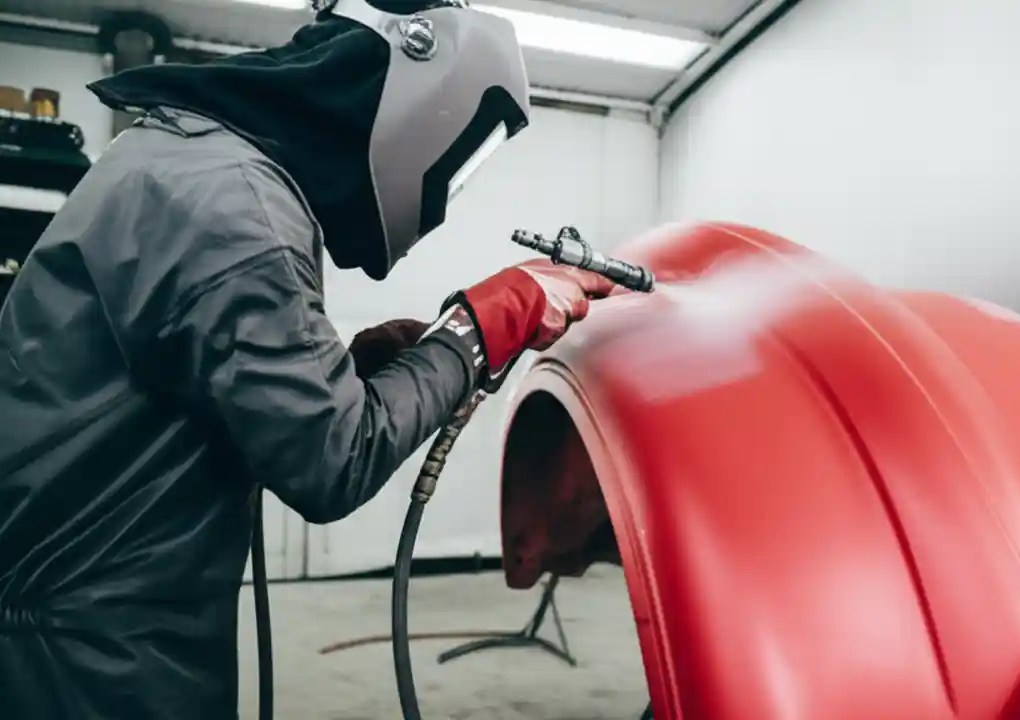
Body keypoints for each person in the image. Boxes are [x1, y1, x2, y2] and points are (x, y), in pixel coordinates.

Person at [0, 1, 614, 717]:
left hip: (96, 616)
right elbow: (332, 461)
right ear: (418, 96)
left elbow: (183, 389)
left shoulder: (198, 164)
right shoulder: (235, 210)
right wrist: (482, 327)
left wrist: (349, 375)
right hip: (86, 654)